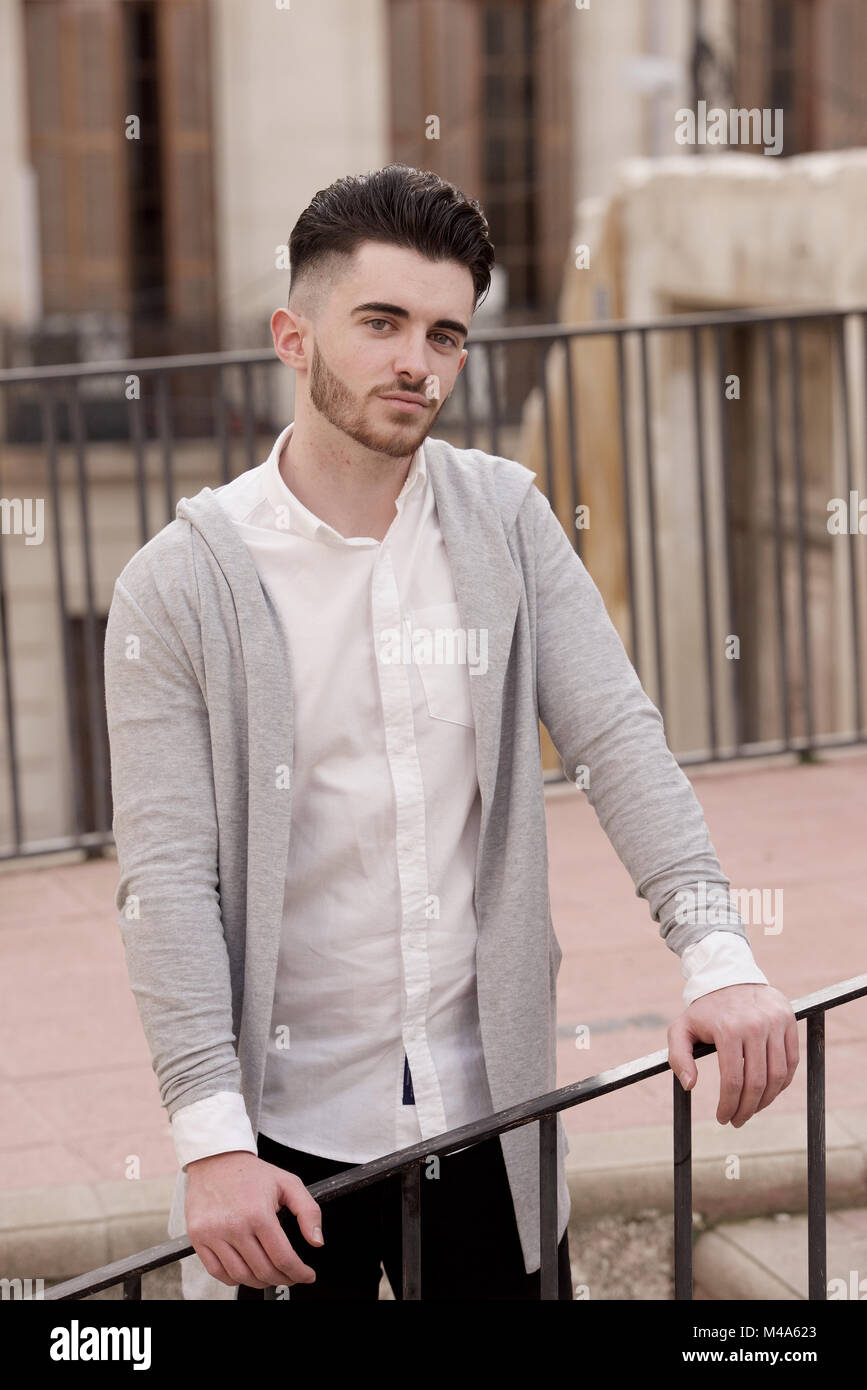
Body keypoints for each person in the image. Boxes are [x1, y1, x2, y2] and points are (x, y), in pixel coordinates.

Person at [103, 164, 799, 1302]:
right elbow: (168, 880)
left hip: (493, 1115)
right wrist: (211, 1139)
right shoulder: (178, 587)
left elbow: (619, 738)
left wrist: (719, 952)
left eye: (445, 333)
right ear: (293, 334)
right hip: (286, 1141)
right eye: (379, 323)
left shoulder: (507, 522)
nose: (415, 362)